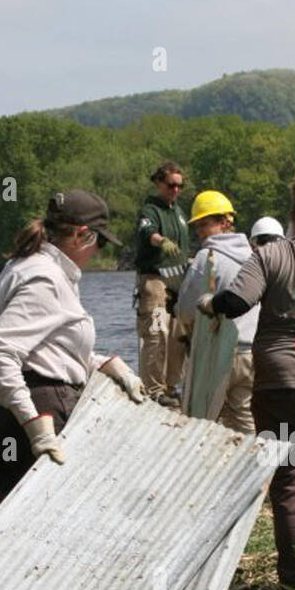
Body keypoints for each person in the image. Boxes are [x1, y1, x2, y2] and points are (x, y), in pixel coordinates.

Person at [198, 166, 295, 590]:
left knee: (290, 478)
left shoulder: (269, 254)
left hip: (278, 379)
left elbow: (237, 301)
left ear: (292, 210)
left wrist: (210, 303)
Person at [0, 190, 144, 506]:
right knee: (45, 529)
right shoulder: (46, 277)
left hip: (6, 413)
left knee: (16, 532)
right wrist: (33, 425)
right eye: (101, 242)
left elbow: (48, 349)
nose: (98, 251)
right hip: (37, 411)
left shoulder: (28, 265)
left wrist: (105, 364)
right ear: (82, 235)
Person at [175, 191, 258, 434]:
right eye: (197, 226)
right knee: (245, 423)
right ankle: (257, 470)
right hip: (251, 354)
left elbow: (185, 310)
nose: (199, 231)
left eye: (204, 224)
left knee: (204, 424)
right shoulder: (254, 257)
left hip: (219, 354)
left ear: (224, 222)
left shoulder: (206, 257)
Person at [134, 160, 190, 406]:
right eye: (171, 185)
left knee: (178, 337)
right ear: (159, 183)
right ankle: (154, 389)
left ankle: (170, 386)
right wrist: (161, 241)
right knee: (157, 332)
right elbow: (149, 234)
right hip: (155, 281)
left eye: (180, 186)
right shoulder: (150, 209)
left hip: (178, 282)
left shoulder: (178, 211)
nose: (175, 190)